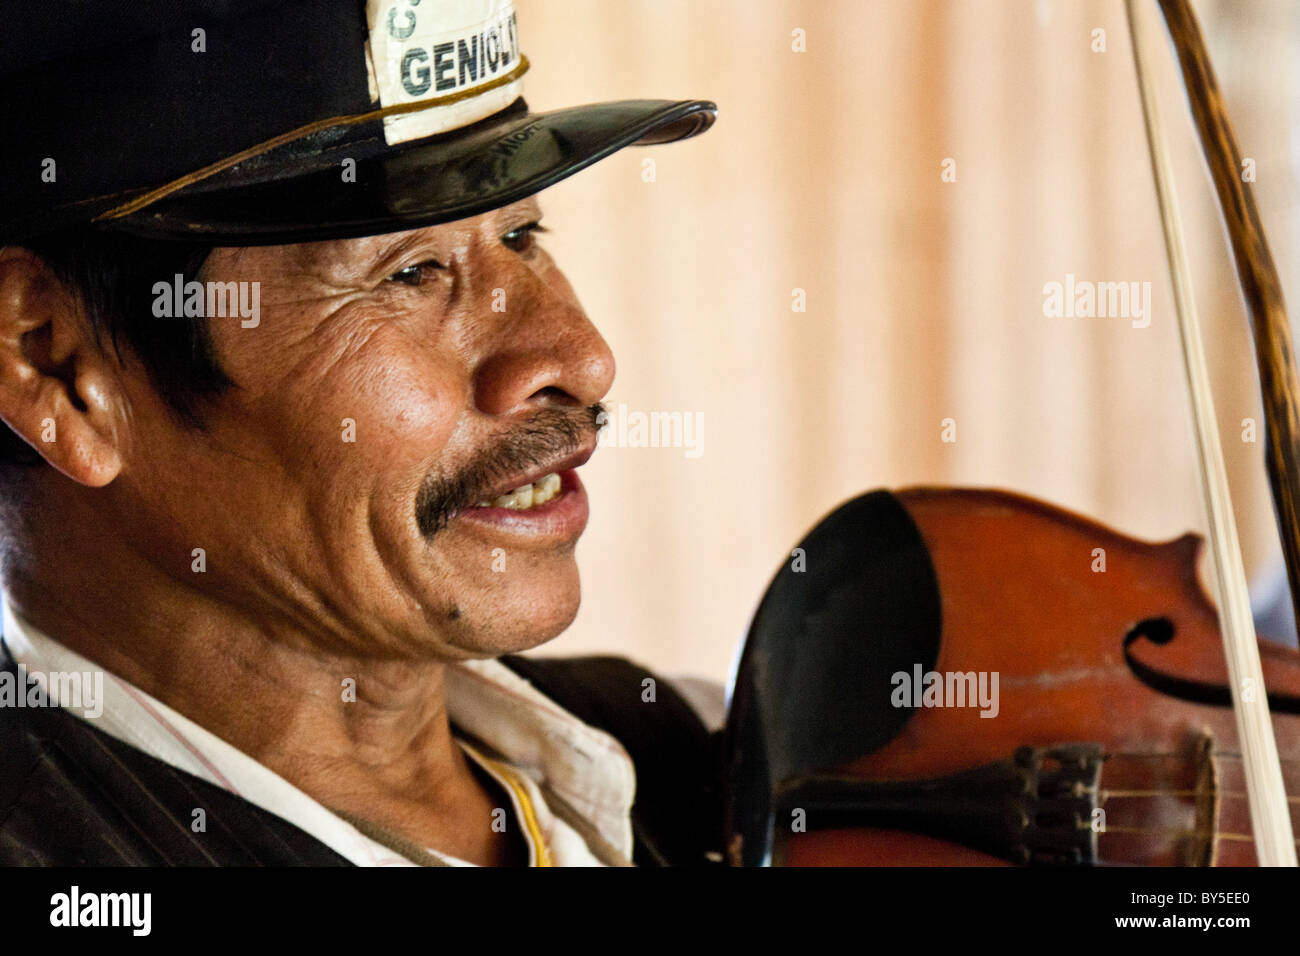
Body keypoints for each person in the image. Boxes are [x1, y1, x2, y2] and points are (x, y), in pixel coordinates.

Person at [0, 0, 720, 867]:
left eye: (522, 234)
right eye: (411, 273)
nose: (581, 358)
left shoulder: (732, 757)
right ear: (52, 363)